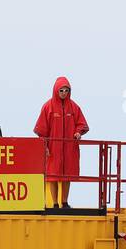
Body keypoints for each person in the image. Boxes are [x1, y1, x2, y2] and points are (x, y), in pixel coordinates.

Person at [33, 76, 89, 209]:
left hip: (69, 147)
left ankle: (64, 202)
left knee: (67, 175)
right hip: (53, 147)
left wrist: (78, 132)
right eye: (61, 90)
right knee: (53, 175)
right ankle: (55, 203)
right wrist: (45, 146)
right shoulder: (48, 107)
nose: (64, 93)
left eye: (66, 90)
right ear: (56, 91)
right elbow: (41, 129)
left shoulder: (74, 107)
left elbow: (82, 124)